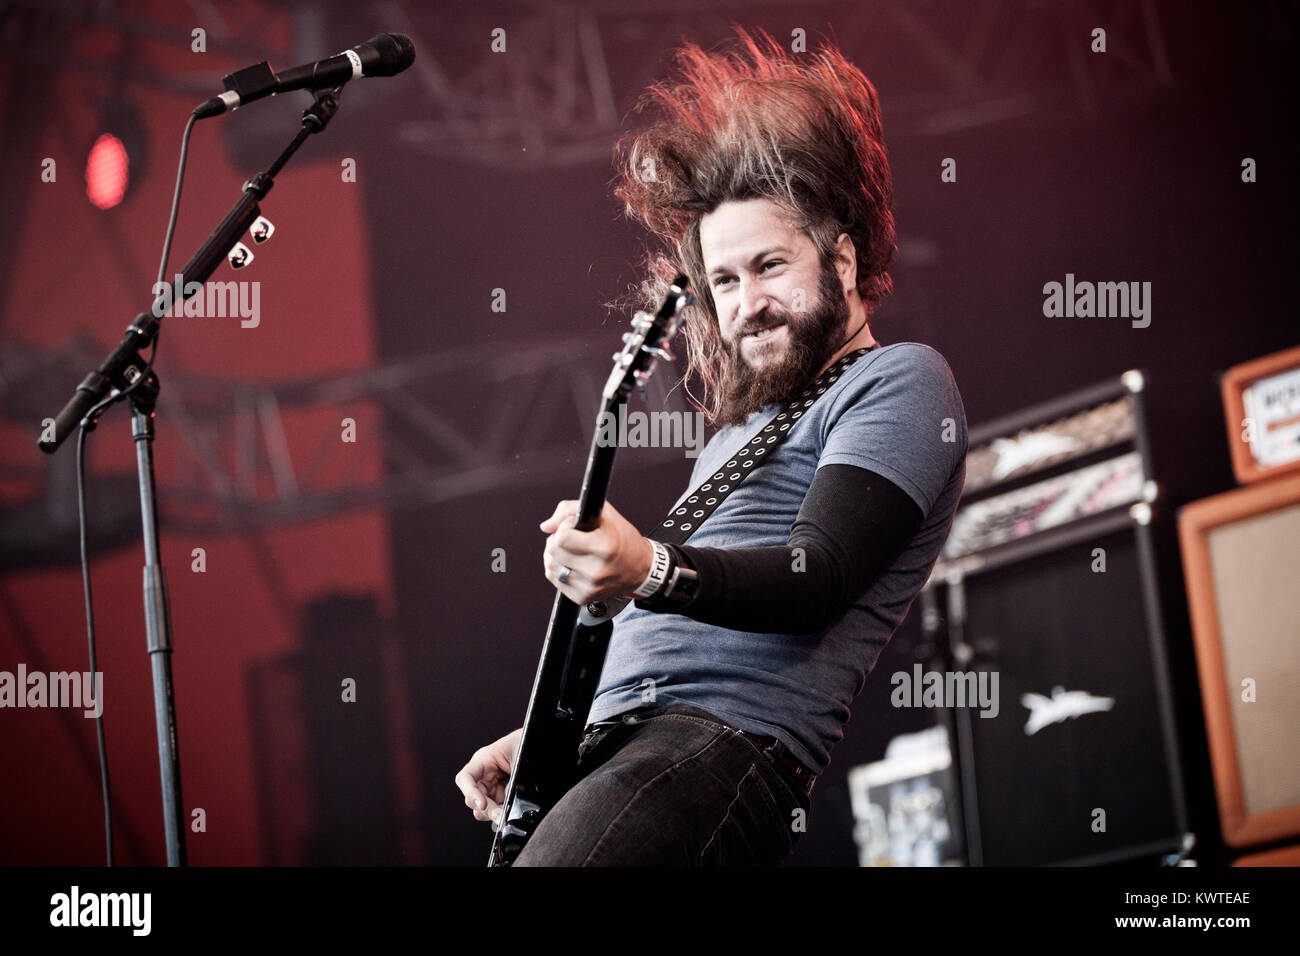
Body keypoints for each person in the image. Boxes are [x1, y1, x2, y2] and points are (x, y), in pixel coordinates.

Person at [455, 26, 967, 865]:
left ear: (841, 262)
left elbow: (815, 579)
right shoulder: (735, 431)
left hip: (721, 741)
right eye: (725, 281)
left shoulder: (902, 380)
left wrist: (647, 566)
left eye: (769, 266)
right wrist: (549, 731)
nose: (746, 303)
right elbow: (681, 624)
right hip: (622, 740)